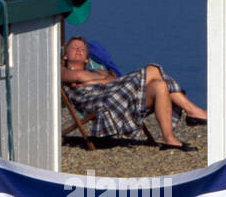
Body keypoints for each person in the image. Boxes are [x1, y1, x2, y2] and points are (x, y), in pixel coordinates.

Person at [61, 37, 207, 150]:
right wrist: (100, 80)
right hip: (100, 105)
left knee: (160, 85)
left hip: (116, 99)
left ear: (87, 58)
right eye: (74, 47)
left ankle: (169, 139)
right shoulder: (61, 70)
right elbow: (79, 76)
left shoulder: (98, 71)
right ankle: (193, 111)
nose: (79, 50)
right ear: (65, 55)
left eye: (82, 48)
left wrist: (94, 80)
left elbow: (115, 81)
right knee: (153, 70)